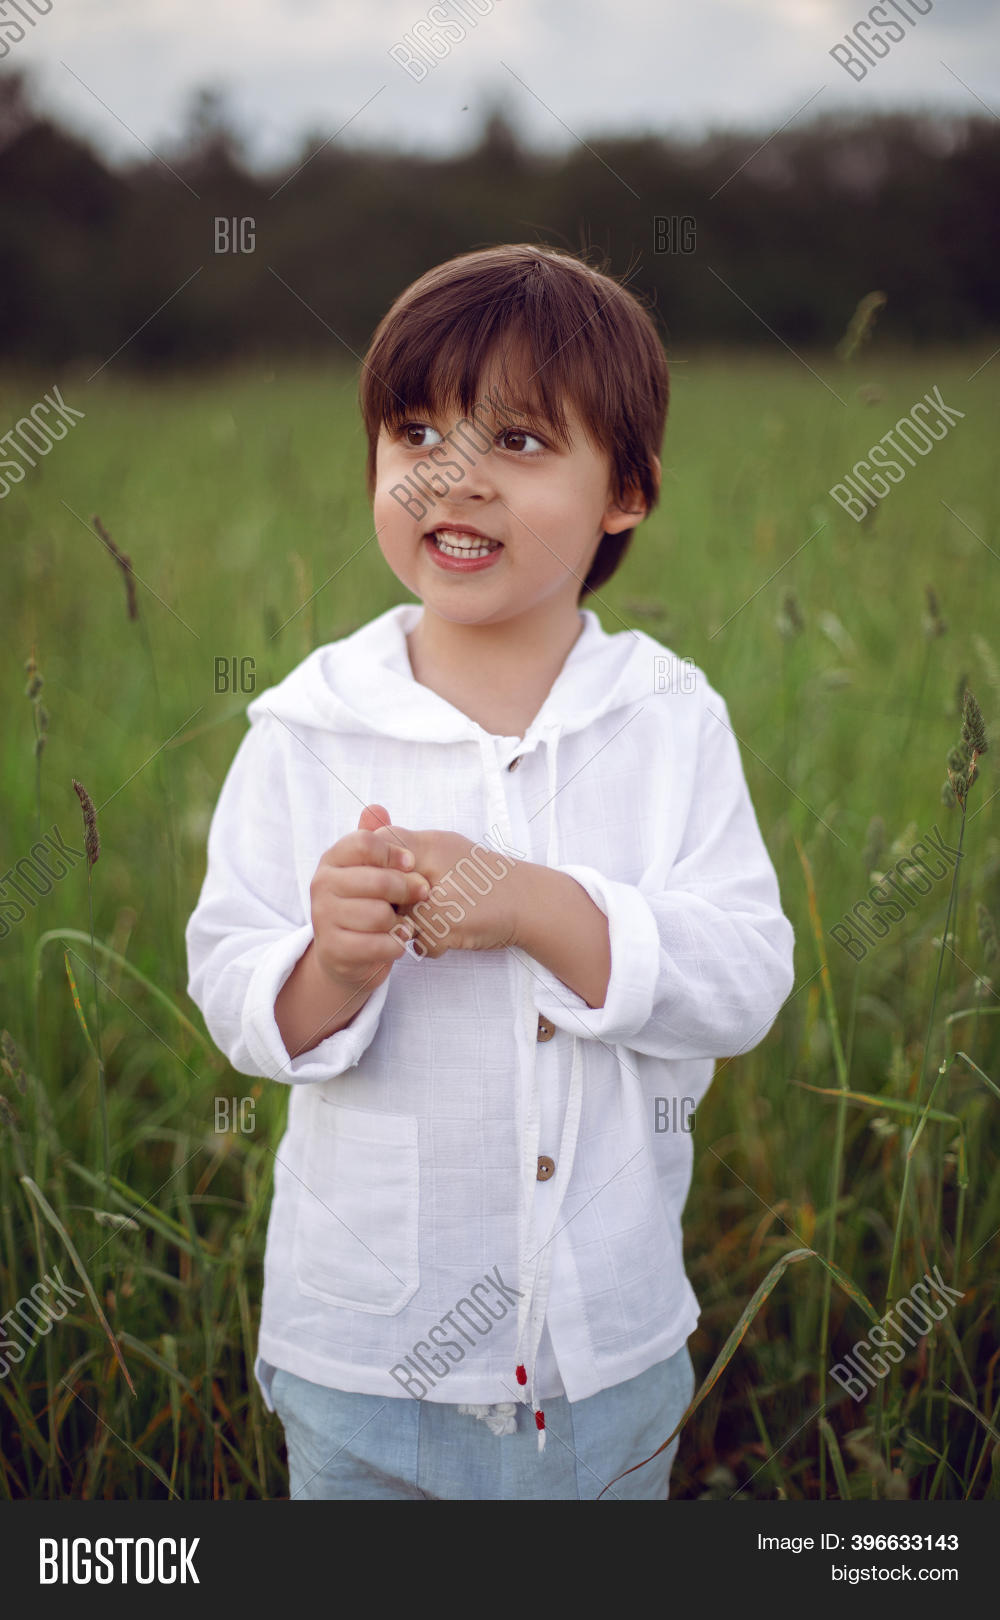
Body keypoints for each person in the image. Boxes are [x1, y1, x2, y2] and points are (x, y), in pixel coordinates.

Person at [185, 243, 796, 1500]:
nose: (448, 479)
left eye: (515, 444)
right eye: (414, 434)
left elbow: (743, 978)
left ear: (625, 491)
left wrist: (534, 905)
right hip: (367, 1367)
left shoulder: (668, 720)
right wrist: (330, 965)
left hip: (602, 1370)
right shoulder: (308, 727)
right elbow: (236, 988)